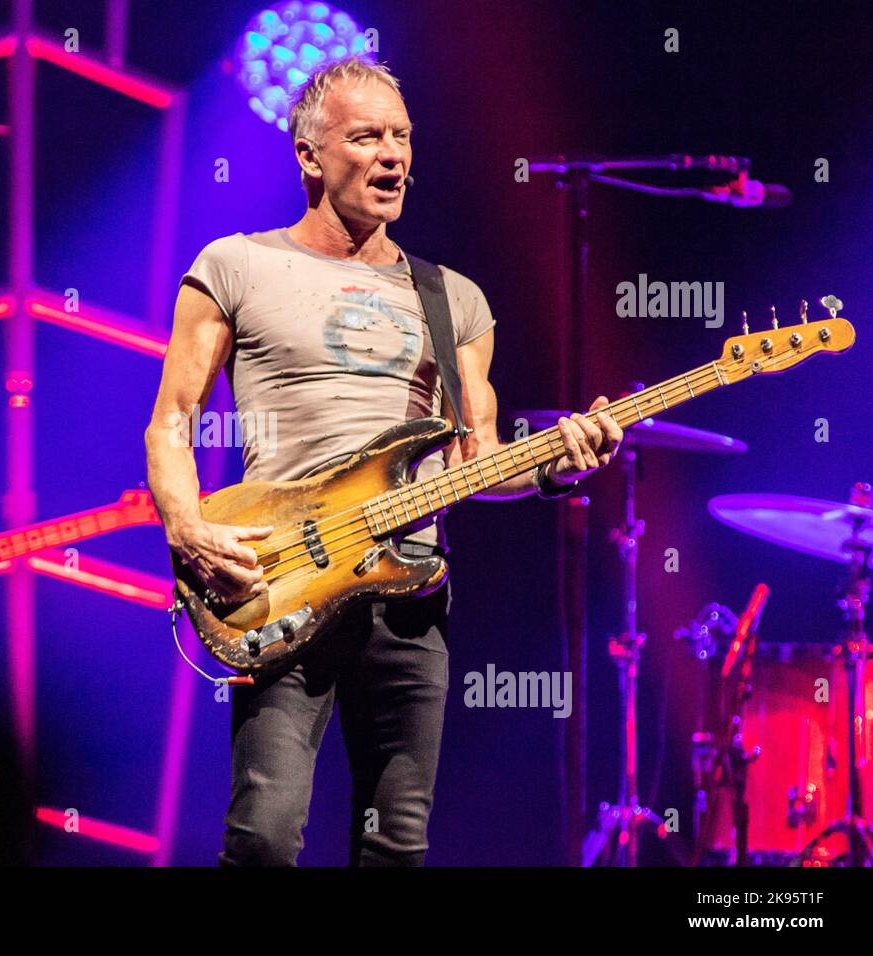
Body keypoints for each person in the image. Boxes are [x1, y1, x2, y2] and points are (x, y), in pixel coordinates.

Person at [145, 58, 624, 866]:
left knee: (396, 844)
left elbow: (482, 457)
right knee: (262, 837)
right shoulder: (236, 265)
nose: (393, 154)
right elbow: (171, 423)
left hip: (408, 592)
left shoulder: (454, 299)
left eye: (401, 136)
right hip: (281, 580)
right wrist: (189, 528)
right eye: (367, 136)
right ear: (309, 154)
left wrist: (557, 464)